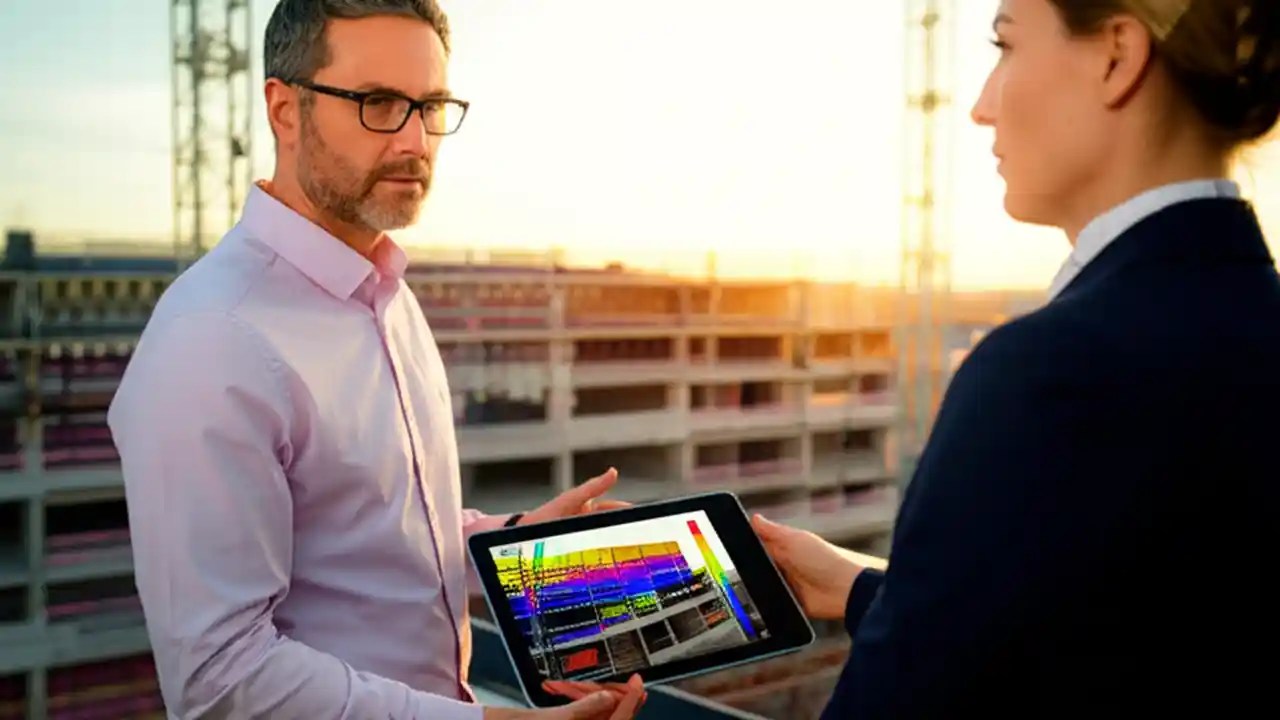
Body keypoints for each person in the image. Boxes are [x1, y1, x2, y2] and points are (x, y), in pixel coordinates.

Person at [107, 1, 643, 718]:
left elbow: (378, 531)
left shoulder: (386, 293)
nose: (416, 141)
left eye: (431, 106)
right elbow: (219, 680)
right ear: (285, 108)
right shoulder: (213, 337)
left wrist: (512, 542)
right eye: (380, 103)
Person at [748, 0, 1280, 717]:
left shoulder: (1050, 373)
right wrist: (871, 591)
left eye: (1005, 45)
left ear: (1118, 56)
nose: (980, 107)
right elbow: (1135, 643)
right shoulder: (1245, 328)